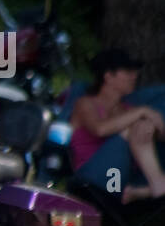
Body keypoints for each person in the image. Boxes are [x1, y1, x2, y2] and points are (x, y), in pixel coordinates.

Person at [70, 48, 165, 202]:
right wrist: (144, 110)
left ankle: (142, 191)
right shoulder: (86, 103)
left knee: (144, 126)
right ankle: (155, 185)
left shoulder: (129, 110)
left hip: (122, 179)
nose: (134, 76)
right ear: (108, 76)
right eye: (128, 72)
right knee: (134, 126)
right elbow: (100, 129)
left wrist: (155, 124)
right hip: (95, 178)